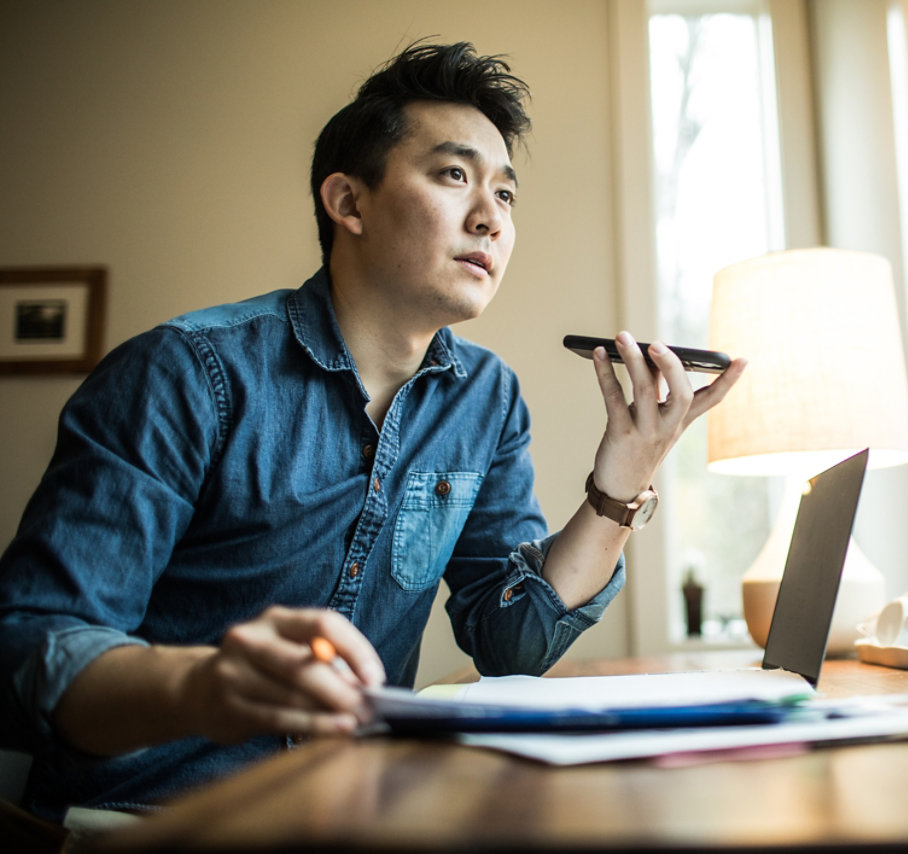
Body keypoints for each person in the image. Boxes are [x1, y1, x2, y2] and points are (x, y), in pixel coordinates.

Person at [0, 40, 745, 822]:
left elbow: (510, 642)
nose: (490, 217)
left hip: (355, 815)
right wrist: (204, 685)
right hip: (150, 819)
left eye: (506, 193)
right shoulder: (184, 374)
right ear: (349, 203)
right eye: (454, 176)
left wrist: (625, 476)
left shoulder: (484, 399)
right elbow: (29, 647)